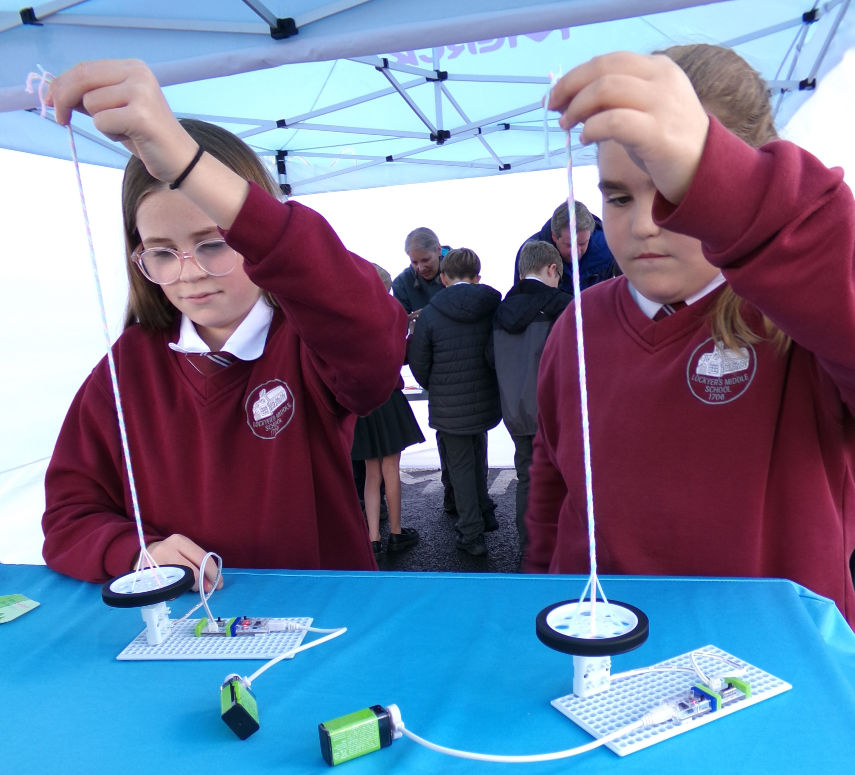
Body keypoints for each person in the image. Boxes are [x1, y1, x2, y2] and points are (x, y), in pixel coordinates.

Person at [40, 60, 407, 591]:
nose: (189, 273)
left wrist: (190, 167)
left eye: (213, 243)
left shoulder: (306, 343)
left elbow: (374, 337)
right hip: (183, 632)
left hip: (322, 623)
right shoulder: (127, 366)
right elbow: (70, 514)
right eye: (162, 253)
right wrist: (135, 551)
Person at [523, 44, 855, 629]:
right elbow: (554, 480)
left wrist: (726, 183)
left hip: (771, 674)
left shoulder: (800, 324)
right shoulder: (580, 321)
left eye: (676, 191)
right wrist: (537, 596)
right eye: (620, 196)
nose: (648, 222)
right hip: (601, 659)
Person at [408, 248, 502, 556]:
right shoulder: (492, 306)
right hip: (485, 397)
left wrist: (436, 386)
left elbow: (418, 361)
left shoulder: (432, 313)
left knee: (460, 466)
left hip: (449, 403)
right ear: (477, 277)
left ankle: (471, 533)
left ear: (444, 278)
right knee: (479, 454)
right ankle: (484, 510)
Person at [489, 241, 570, 555]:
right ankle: (561, 548)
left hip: (515, 411)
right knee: (564, 480)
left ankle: (530, 549)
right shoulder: (562, 304)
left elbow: (491, 358)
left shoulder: (499, 310)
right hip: (555, 412)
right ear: (552, 269)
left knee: (527, 477)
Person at [352, 264, 424, 558]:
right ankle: (396, 532)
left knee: (371, 473)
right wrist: (410, 328)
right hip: (389, 397)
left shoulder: (351, 317)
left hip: (363, 401)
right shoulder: (392, 315)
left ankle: (373, 538)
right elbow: (399, 354)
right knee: (391, 469)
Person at [392, 226, 457, 515]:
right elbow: (398, 325)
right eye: (414, 262)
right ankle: (452, 490)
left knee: (469, 434)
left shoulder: (457, 265)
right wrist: (408, 320)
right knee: (445, 430)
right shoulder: (403, 282)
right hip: (431, 366)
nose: (420, 268)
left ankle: (468, 493)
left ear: (438, 250)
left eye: (425, 261)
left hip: (460, 357)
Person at [512, 200, 618, 294]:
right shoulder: (531, 254)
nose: (576, 251)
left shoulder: (608, 245)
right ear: (554, 236)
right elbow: (521, 303)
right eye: (569, 245)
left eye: (582, 244)